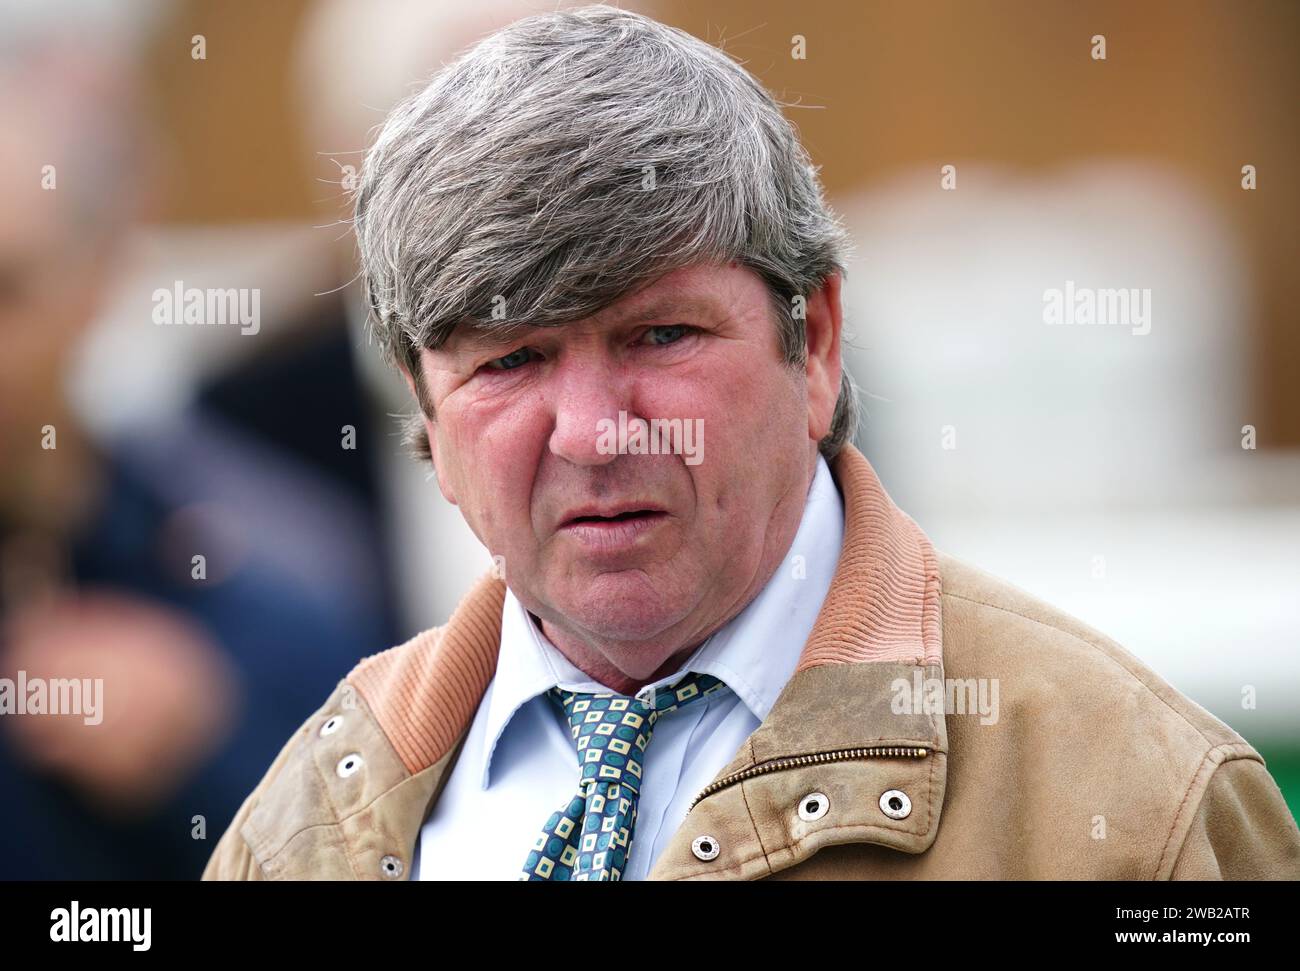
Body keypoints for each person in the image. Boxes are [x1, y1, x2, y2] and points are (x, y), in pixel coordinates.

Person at [204, 5, 1300, 881]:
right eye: (510, 360)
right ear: (425, 415)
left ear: (814, 342)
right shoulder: (310, 823)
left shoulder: (1131, 806)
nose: (592, 433)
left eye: (660, 334)